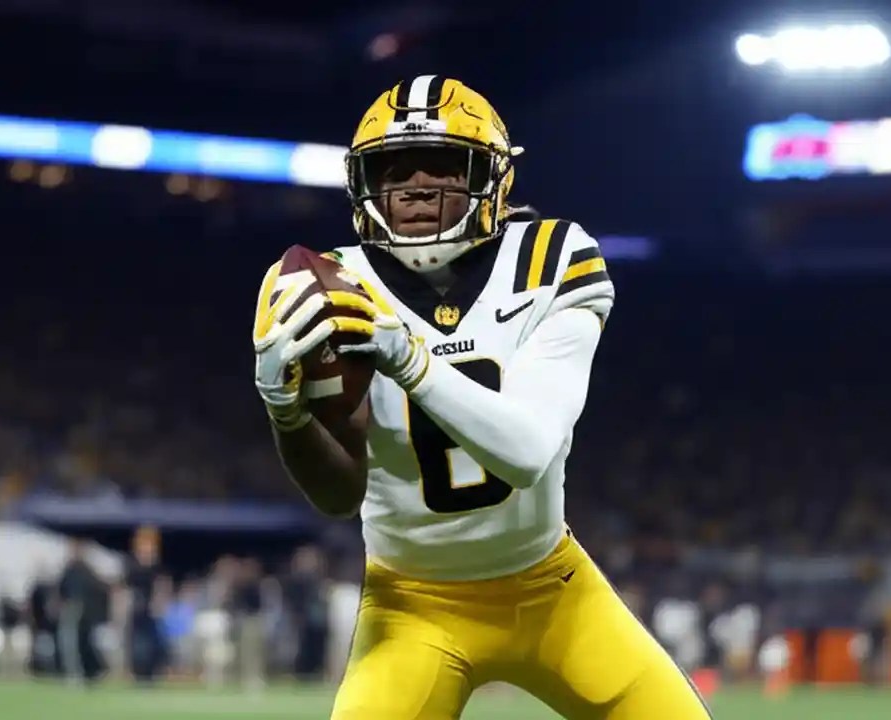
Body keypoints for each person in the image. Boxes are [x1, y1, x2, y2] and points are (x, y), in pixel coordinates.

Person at [251, 76, 713, 719]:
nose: (414, 185)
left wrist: (409, 359)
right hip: (412, 604)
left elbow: (525, 452)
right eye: (392, 168)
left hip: (552, 591)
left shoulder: (553, 257)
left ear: (491, 178)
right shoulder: (333, 285)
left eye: (442, 164)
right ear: (365, 184)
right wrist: (286, 412)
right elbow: (337, 497)